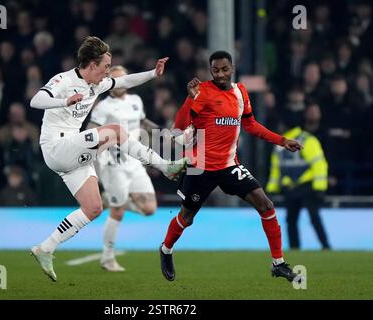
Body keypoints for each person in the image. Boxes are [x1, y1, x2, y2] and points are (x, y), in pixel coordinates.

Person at [28, 36, 186, 281]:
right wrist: (63, 100)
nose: (107, 73)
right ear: (91, 65)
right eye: (104, 68)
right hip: (57, 146)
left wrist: (153, 73)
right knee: (116, 131)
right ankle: (165, 166)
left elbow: (125, 80)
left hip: (71, 151)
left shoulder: (97, 85)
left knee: (92, 208)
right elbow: (35, 100)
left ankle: (45, 248)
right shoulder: (63, 80)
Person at [159, 51, 304, 283]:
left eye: (224, 69)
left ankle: (278, 264)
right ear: (210, 71)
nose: (220, 74)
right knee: (186, 217)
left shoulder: (240, 92)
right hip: (201, 166)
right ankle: (166, 250)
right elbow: (178, 128)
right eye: (215, 70)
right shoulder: (202, 92)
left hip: (229, 165)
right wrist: (190, 98)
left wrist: (282, 140)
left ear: (232, 68)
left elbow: (251, 125)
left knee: (265, 204)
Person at [88, 65, 159, 272]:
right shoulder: (103, 107)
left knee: (149, 209)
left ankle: (112, 199)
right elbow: (91, 132)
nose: (119, 83)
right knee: (118, 213)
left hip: (135, 164)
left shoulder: (136, 101)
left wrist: (166, 132)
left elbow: (142, 122)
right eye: (114, 79)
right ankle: (107, 258)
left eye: (122, 79)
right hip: (113, 164)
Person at [267, 103, 331, 250]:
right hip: (295, 186)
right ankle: (302, 248)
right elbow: (277, 168)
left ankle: (323, 246)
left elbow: (318, 165)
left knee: (308, 218)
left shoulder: (304, 140)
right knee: (294, 219)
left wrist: (319, 188)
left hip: (305, 185)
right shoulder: (287, 142)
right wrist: (272, 188)